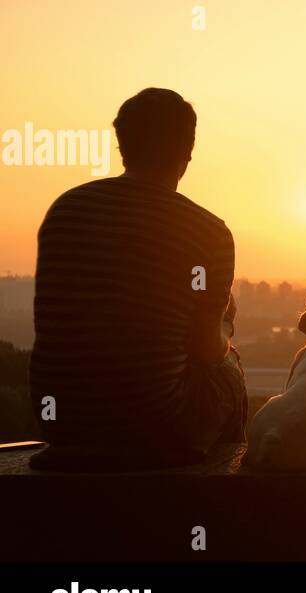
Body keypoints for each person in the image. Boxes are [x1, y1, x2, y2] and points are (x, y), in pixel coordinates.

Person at [29, 88, 247, 471]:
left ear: (122, 144)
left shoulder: (67, 210)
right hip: (155, 428)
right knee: (230, 367)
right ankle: (221, 494)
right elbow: (207, 350)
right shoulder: (208, 232)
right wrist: (225, 325)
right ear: (188, 151)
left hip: (62, 423)